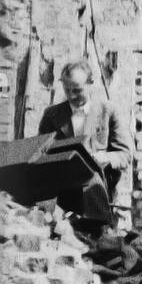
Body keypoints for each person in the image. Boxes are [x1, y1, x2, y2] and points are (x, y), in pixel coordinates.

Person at [38, 59, 132, 225]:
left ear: (90, 83)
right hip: (62, 202)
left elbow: (125, 155)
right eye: (67, 90)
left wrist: (105, 157)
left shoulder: (108, 111)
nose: (72, 96)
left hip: (98, 198)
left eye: (77, 90)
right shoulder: (51, 115)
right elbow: (40, 155)